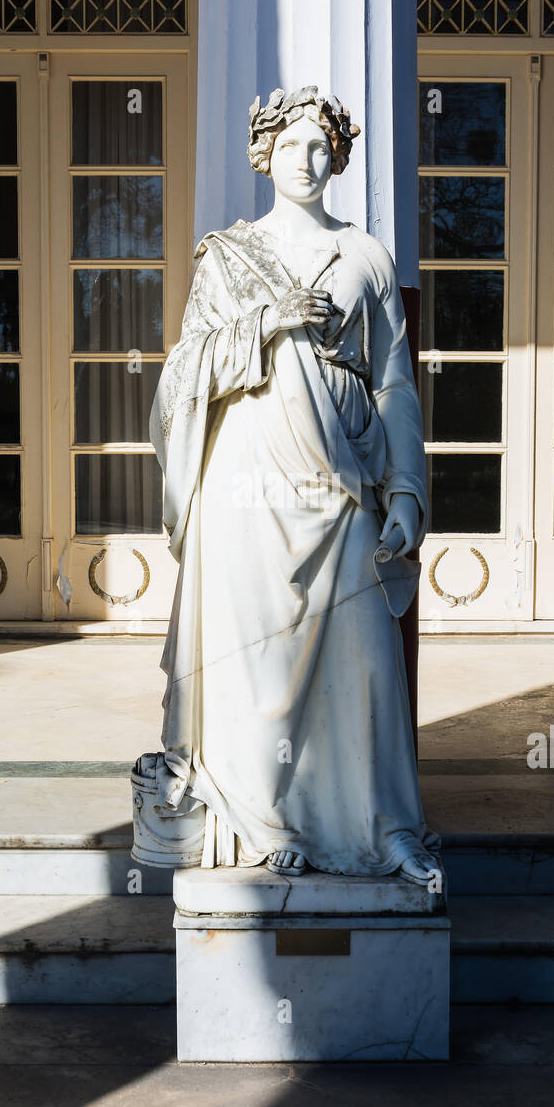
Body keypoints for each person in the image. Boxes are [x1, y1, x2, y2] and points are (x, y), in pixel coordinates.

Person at [146, 85, 442, 886]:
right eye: (290, 148)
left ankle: (387, 827)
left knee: (366, 657)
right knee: (258, 660)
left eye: (320, 149)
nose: (305, 162)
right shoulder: (227, 256)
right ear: (263, 155)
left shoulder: (367, 257)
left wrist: (408, 489)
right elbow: (181, 377)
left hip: (345, 477)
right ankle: (263, 817)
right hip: (248, 477)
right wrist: (267, 322)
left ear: (337, 158)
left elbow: (395, 385)